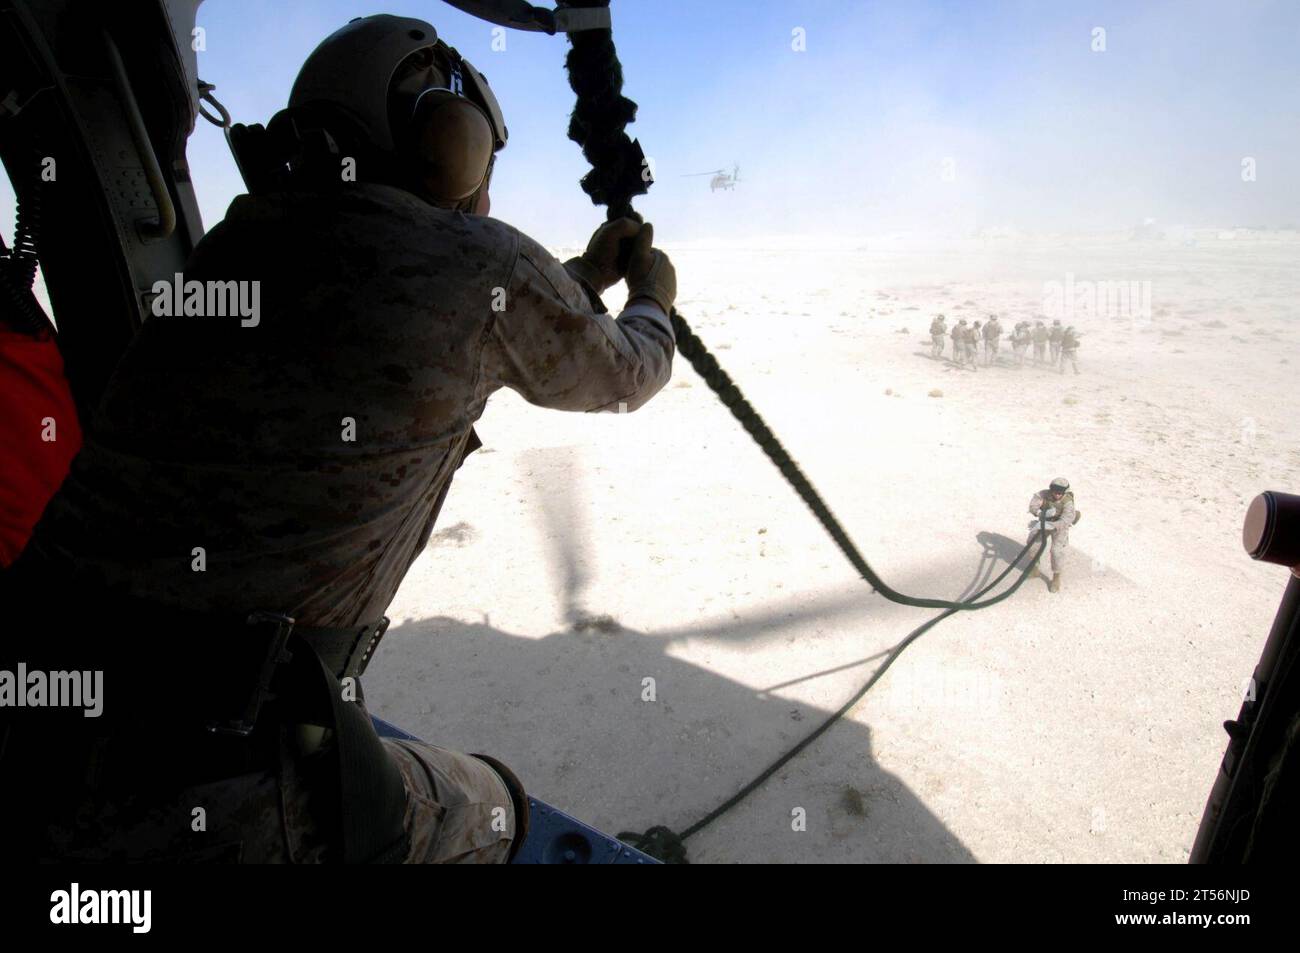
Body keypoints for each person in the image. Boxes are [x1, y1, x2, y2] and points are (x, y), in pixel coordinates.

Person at [3, 14, 678, 864]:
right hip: (207, 786)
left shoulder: (231, 251)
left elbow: (423, 320)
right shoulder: (479, 269)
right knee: (494, 806)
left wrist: (583, 277)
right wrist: (652, 297)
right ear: (443, 139)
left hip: (27, 722)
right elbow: (625, 371)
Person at [1025, 477, 1078, 592]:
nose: (1057, 494)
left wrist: (1052, 525)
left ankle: (1056, 577)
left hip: (1060, 527)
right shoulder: (1043, 494)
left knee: (1056, 551)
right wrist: (1040, 513)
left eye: (1060, 492)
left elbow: (1066, 520)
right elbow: (1033, 506)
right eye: (1055, 491)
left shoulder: (1068, 502)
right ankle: (1035, 568)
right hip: (1044, 522)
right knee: (1033, 543)